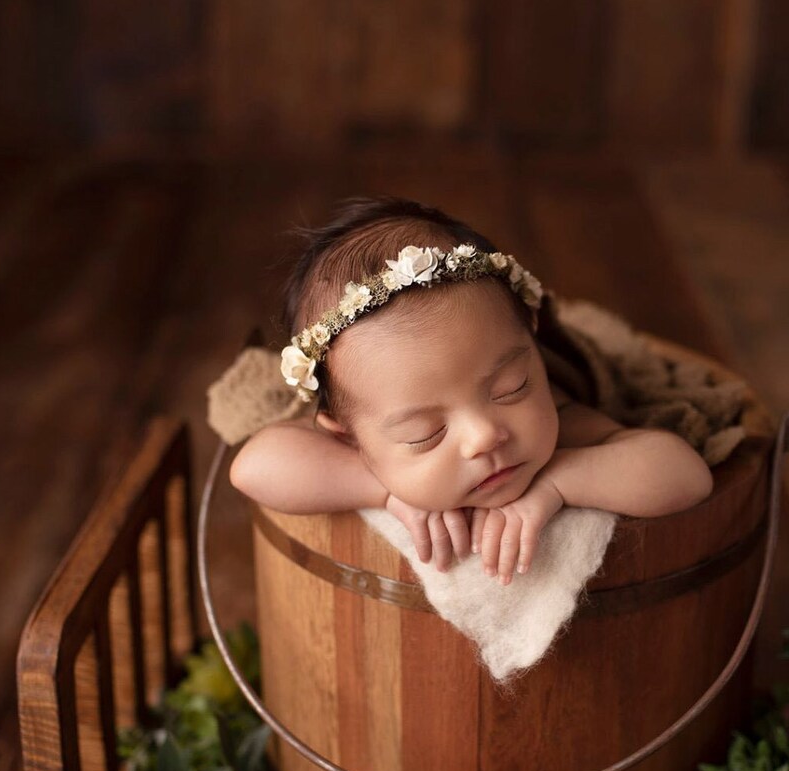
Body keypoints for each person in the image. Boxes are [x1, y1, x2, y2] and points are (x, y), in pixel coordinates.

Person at [229, 197, 713, 586]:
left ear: (532, 342)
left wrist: (560, 481)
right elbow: (253, 467)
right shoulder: (360, 430)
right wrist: (387, 491)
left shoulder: (564, 421)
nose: (483, 435)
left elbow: (685, 474)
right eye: (425, 433)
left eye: (511, 389)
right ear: (348, 437)